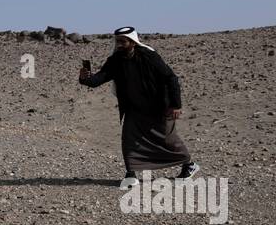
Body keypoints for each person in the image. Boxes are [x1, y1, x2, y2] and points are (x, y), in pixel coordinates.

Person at [79, 26, 199, 189]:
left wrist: (176, 105)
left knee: (167, 138)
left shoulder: (149, 56)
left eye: (123, 41)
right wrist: (85, 78)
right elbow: (99, 79)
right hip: (134, 108)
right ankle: (131, 174)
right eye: (117, 41)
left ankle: (188, 165)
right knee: (129, 140)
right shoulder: (115, 60)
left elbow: (171, 78)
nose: (119, 45)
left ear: (133, 42)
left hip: (159, 106)